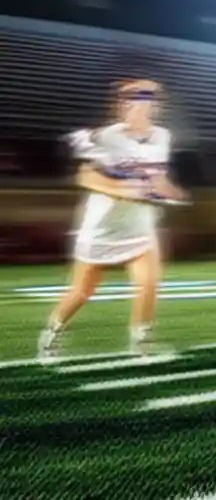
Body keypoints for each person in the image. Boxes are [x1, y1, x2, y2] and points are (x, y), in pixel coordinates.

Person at [37, 79, 187, 362]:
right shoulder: (107, 136)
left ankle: (141, 344)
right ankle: (52, 333)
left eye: (149, 100)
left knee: (150, 282)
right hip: (103, 228)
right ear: (123, 105)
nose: (142, 106)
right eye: (134, 100)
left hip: (140, 225)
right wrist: (120, 190)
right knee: (82, 291)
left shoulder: (163, 137)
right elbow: (85, 175)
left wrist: (170, 192)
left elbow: (156, 176)